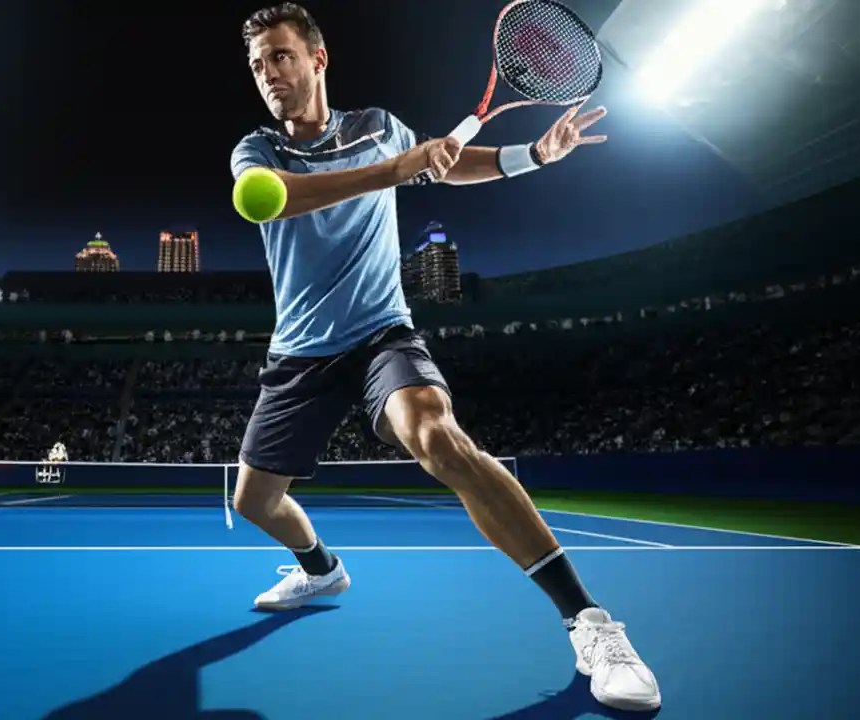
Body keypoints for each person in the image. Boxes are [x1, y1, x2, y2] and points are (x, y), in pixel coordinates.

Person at [229, 3, 659, 713]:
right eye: (256, 65)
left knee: (438, 437)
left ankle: (589, 622)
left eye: (279, 56)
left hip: (379, 335)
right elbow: (274, 203)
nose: (268, 74)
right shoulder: (258, 150)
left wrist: (534, 156)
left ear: (317, 58)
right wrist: (396, 168)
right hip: (300, 354)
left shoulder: (376, 127)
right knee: (254, 501)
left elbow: (446, 167)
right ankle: (321, 570)